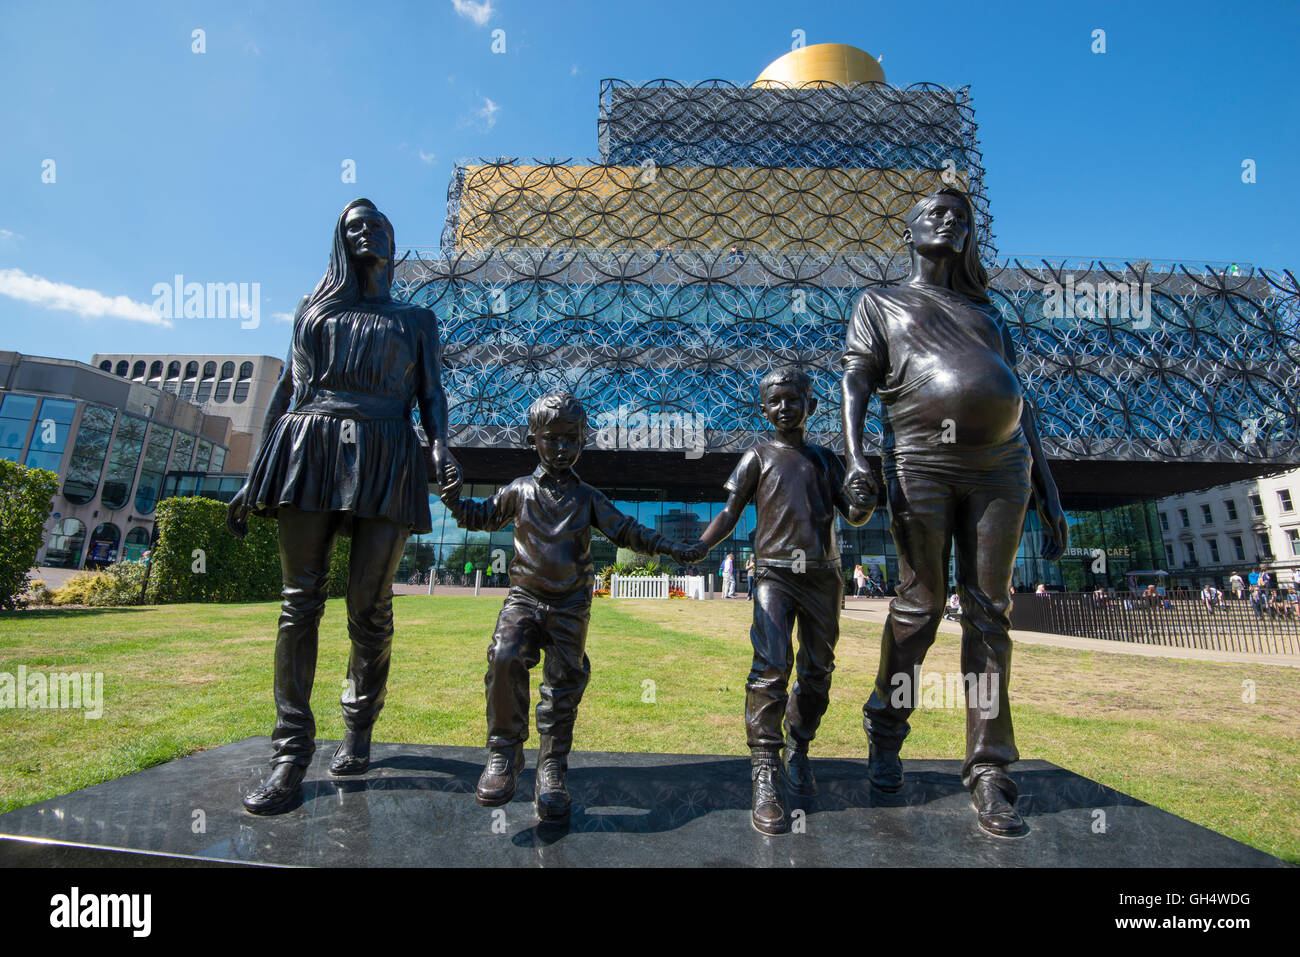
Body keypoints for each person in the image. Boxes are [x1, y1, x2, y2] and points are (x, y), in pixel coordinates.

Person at [840, 187, 1068, 839]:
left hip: (1003, 466)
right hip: (921, 458)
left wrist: (1049, 490)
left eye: (961, 218)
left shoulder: (988, 314)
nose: (949, 220)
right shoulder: (879, 302)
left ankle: (990, 767)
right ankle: (887, 728)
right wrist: (857, 458)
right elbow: (857, 377)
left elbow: (1025, 408)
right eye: (935, 213)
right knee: (920, 605)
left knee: (991, 612)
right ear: (907, 230)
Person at [228, 198, 458, 815]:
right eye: (353, 226)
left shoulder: (416, 318)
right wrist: (253, 477)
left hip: (387, 448)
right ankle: (290, 754)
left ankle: (358, 723)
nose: (365, 232)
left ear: (392, 237)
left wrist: (440, 450)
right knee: (298, 604)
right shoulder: (315, 310)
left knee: (369, 607)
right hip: (311, 443)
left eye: (375, 224)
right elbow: (286, 389)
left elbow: (431, 394)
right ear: (341, 240)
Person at [440, 391, 701, 822]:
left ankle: (552, 767)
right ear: (532, 439)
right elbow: (480, 516)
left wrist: (673, 546)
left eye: (571, 440)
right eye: (552, 439)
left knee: (562, 689)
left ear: (583, 441)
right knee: (504, 656)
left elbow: (627, 530)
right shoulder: (519, 491)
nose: (561, 449)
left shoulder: (588, 497)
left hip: (571, 606)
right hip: (524, 599)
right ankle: (504, 754)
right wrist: (451, 497)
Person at [688, 366, 871, 834]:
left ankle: (800, 746)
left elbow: (852, 514)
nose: (784, 408)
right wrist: (701, 546)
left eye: (794, 400)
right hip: (773, 575)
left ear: (810, 406)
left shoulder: (827, 460)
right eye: (775, 401)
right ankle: (765, 771)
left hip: (823, 579)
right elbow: (730, 512)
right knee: (769, 669)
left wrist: (865, 499)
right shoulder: (756, 456)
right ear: (764, 409)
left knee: (817, 671)